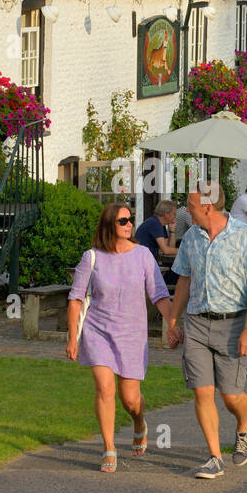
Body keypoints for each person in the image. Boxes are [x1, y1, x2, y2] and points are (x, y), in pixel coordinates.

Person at [167, 184, 247, 479]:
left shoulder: (243, 235)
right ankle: (214, 457)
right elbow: (184, 280)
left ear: (208, 207)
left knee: (231, 396)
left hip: (233, 324)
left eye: (192, 204)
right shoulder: (191, 238)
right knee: (202, 391)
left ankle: (244, 425)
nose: (187, 209)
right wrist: (173, 321)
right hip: (197, 322)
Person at [67, 203, 173, 474]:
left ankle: (139, 423)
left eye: (130, 220)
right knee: (104, 389)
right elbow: (76, 298)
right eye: (123, 221)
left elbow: (159, 294)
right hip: (98, 331)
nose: (129, 224)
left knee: (130, 399)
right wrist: (72, 339)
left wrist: (173, 324)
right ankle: (109, 448)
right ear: (108, 226)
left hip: (132, 336)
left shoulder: (143, 255)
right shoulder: (91, 257)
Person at [135, 199, 178, 286]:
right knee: (177, 273)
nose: (175, 217)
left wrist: (172, 231)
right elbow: (166, 250)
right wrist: (185, 250)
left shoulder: (159, 225)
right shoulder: (154, 223)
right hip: (141, 266)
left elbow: (169, 248)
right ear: (166, 214)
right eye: (174, 214)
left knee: (174, 272)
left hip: (148, 263)